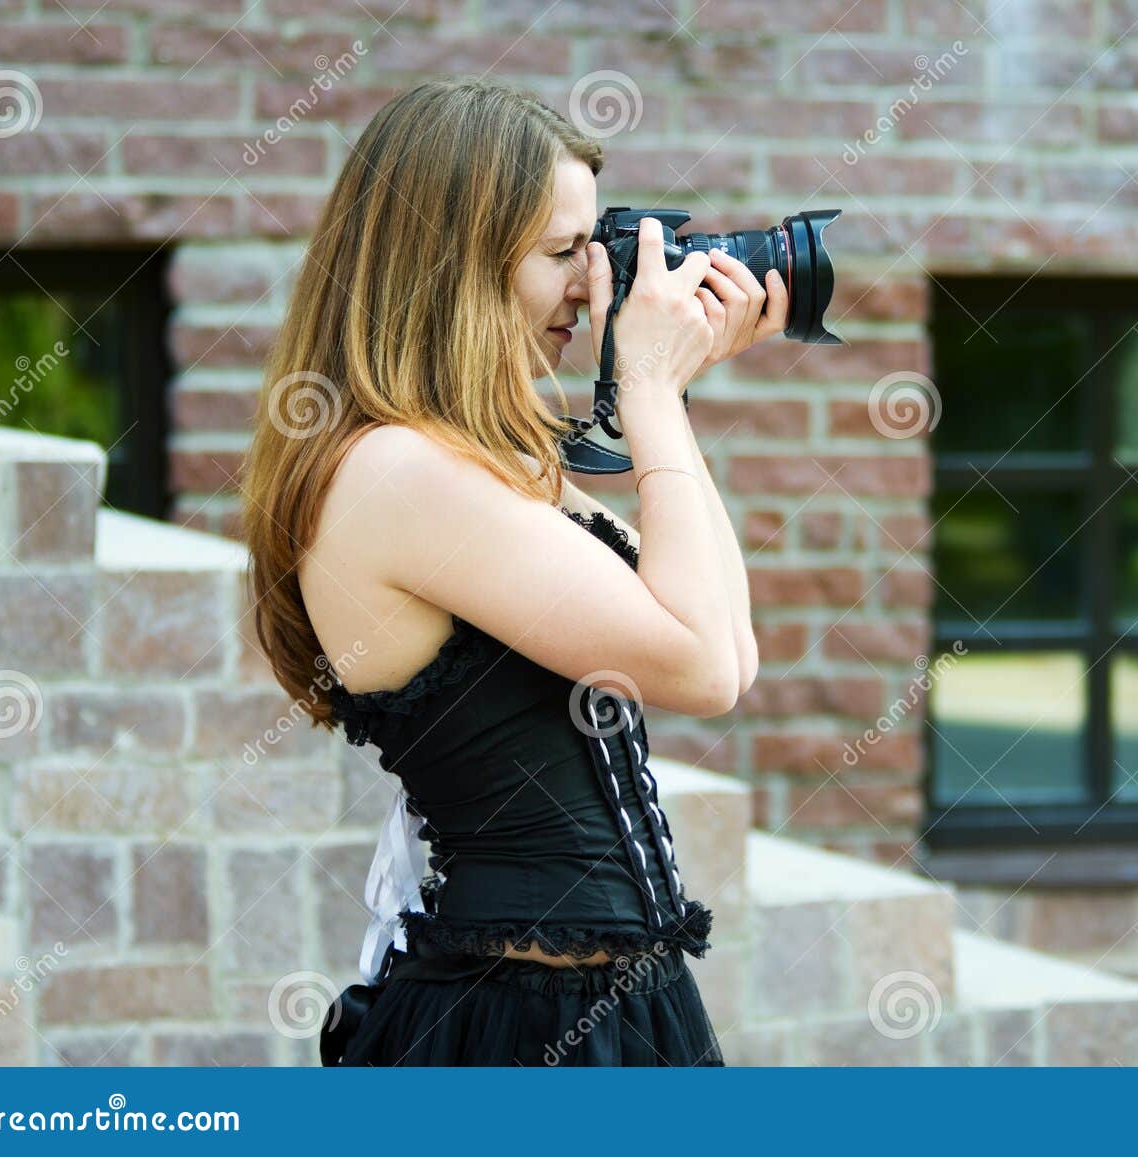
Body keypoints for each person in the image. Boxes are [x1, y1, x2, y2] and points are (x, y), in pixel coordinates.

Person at [238, 77, 788, 1066]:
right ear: (451, 261)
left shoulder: (483, 463)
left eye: (592, 244)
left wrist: (663, 390)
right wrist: (651, 395)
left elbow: (731, 648)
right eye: (559, 253)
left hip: (606, 1001)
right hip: (520, 1023)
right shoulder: (395, 472)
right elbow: (698, 666)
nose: (591, 282)